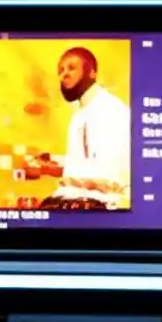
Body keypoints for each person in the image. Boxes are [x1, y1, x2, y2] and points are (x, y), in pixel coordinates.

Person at [33, 47, 131, 208]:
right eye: (61, 70)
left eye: (71, 68)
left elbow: (112, 176)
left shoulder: (110, 110)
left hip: (101, 206)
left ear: (92, 73)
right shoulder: (82, 111)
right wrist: (51, 165)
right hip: (79, 199)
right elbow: (87, 160)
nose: (64, 74)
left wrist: (59, 174)